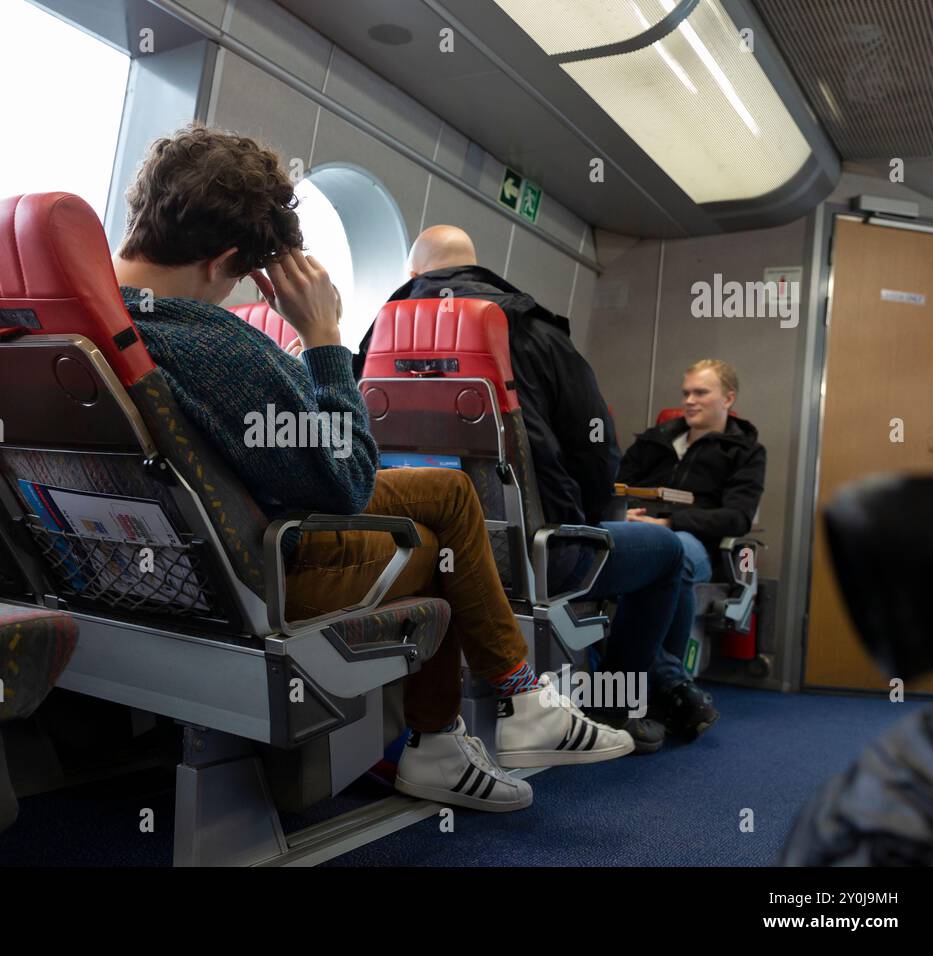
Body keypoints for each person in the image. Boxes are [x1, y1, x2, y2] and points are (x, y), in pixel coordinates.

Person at [111, 126, 633, 812]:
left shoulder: (82, 311)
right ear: (226, 261)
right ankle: (467, 731)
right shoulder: (213, 347)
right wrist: (324, 338)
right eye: (242, 276)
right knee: (441, 549)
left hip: (134, 558)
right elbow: (347, 481)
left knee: (444, 493)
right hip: (253, 570)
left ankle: (506, 710)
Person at [356, 225, 714, 750]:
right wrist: (587, 527)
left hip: (414, 551)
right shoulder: (533, 328)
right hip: (532, 553)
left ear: (411, 276)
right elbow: (596, 449)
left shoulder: (373, 339)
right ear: (478, 267)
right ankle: (618, 706)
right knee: (666, 552)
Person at [618, 360, 766, 736]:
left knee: (674, 553)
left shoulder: (744, 451)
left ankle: (654, 686)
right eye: (686, 393)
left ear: (728, 398)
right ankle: (671, 684)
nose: (689, 401)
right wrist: (624, 511)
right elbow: (616, 483)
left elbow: (737, 518)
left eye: (701, 393)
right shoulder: (656, 439)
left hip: (695, 543)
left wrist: (668, 523)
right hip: (635, 529)